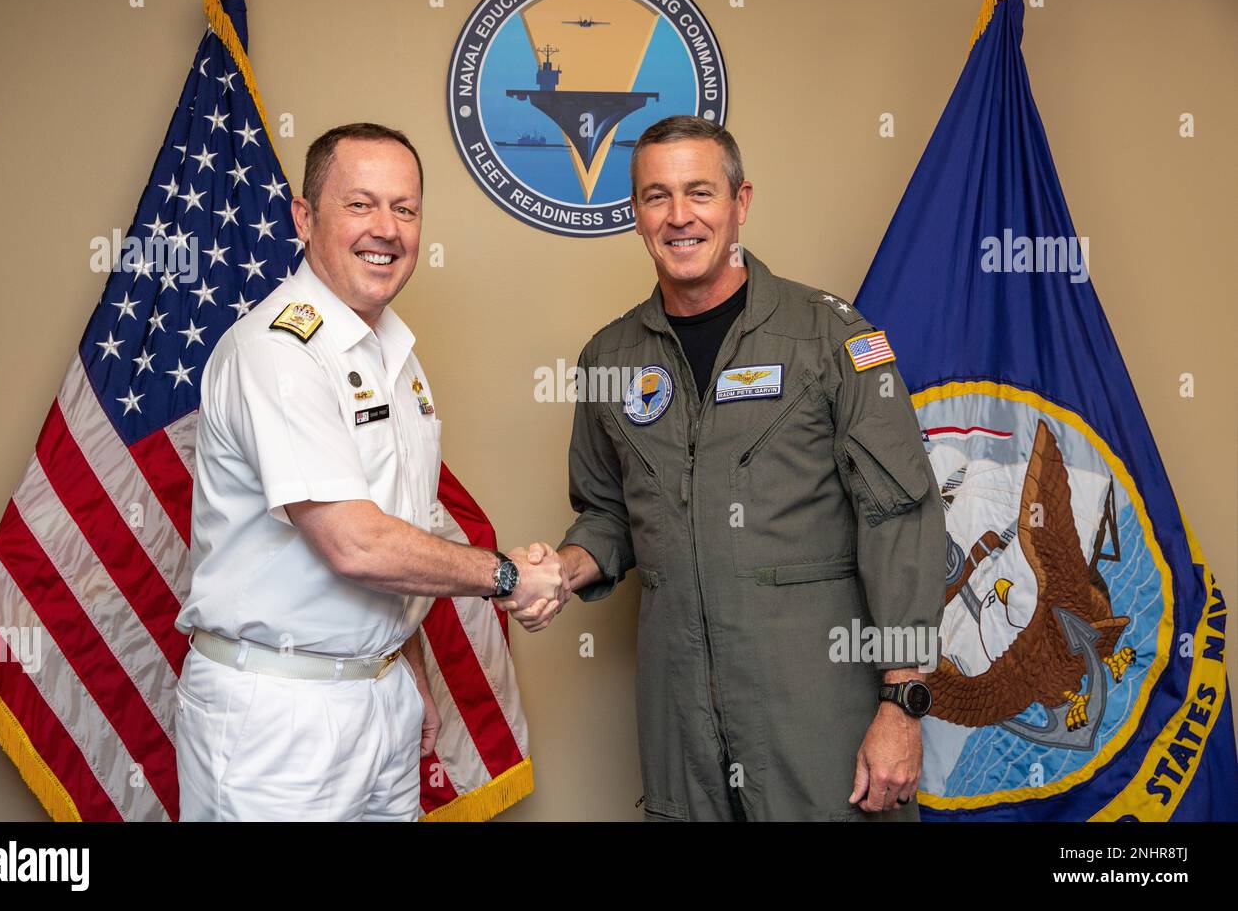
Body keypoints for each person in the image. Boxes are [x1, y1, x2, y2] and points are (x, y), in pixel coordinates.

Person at [553, 115, 946, 821]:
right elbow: (608, 512)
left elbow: (900, 520)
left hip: (817, 715)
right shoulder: (608, 360)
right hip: (681, 725)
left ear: (741, 202)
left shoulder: (831, 338)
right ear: (635, 215)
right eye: (656, 197)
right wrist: (564, 568)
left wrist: (903, 702)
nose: (680, 217)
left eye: (700, 193)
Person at [174, 122, 568, 821]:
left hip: (377, 693)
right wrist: (506, 576)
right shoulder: (279, 352)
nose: (386, 229)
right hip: (280, 713)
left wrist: (401, 659)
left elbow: (397, 524)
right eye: (360, 205)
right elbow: (354, 543)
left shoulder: (392, 355)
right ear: (304, 217)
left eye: (405, 209)